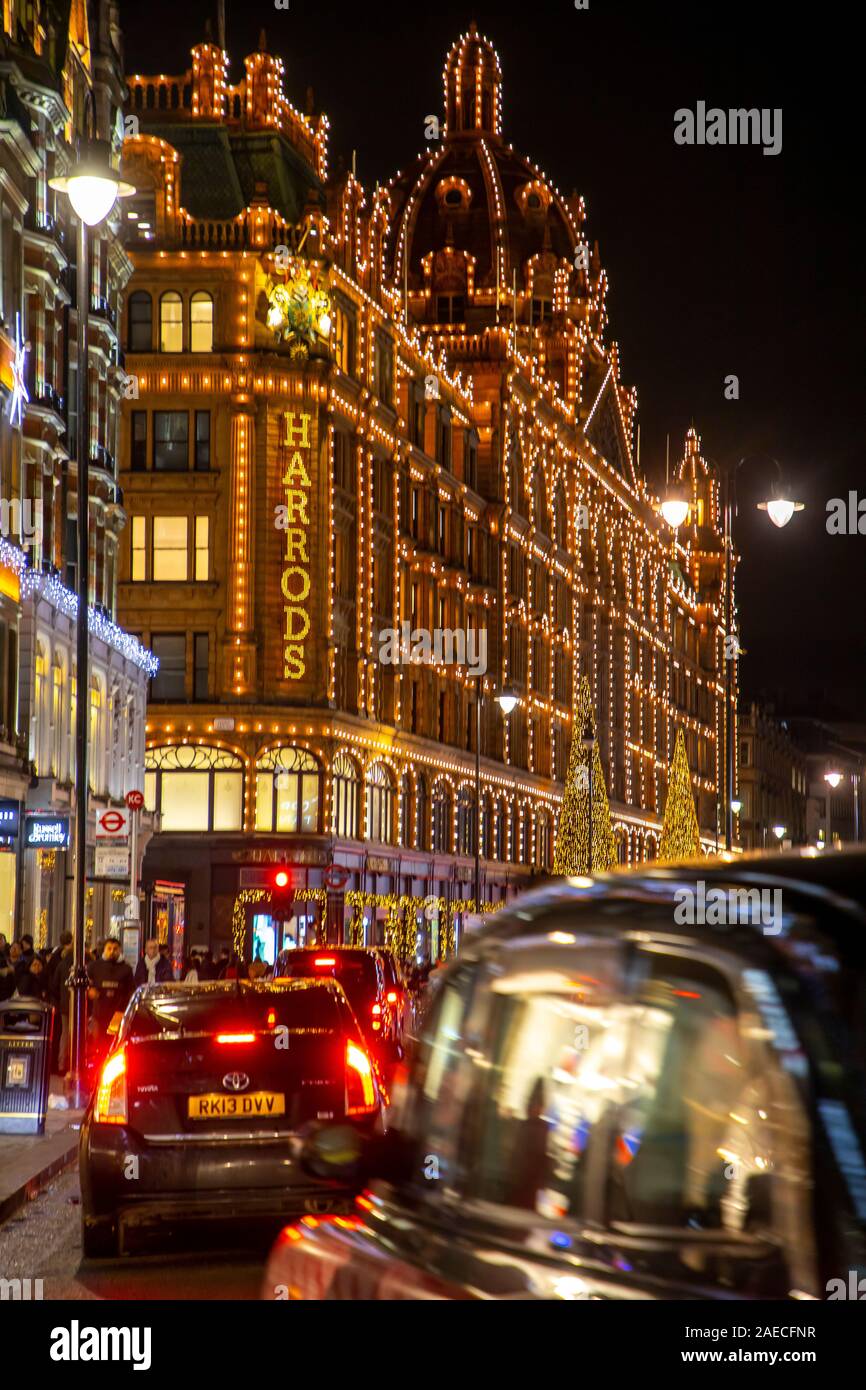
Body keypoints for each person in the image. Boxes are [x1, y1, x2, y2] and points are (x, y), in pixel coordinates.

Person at [86, 938, 134, 1044]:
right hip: (98, 1013)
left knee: (114, 1042)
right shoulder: (94, 967)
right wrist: (89, 991)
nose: (112, 951)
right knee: (97, 1042)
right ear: (104, 950)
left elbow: (131, 990)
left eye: (115, 949)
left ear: (120, 950)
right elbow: (85, 986)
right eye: (109, 949)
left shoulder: (126, 969)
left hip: (118, 1014)